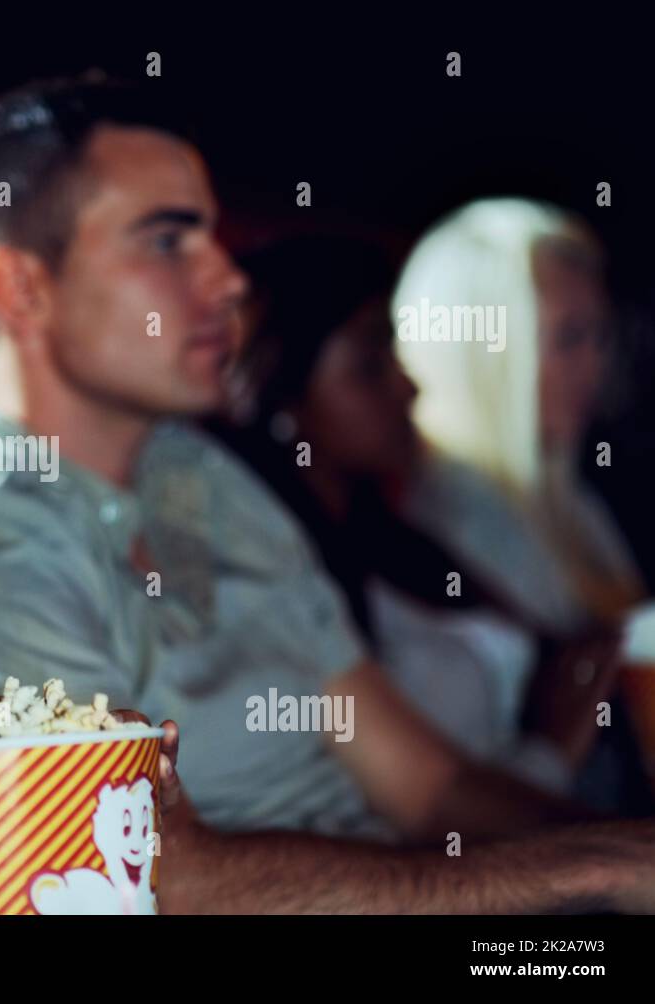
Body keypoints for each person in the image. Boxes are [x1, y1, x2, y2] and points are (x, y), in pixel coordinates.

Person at [0, 73, 655, 912]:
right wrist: (586, 874)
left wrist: (612, 857)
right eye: (167, 241)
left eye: (209, 235)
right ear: (21, 290)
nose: (229, 279)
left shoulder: (197, 474)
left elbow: (427, 785)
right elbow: (152, 885)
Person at [222, 234, 648, 810]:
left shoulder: (400, 540)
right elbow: (400, 815)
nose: (412, 388)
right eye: (372, 367)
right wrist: (551, 753)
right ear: (283, 397)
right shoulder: (270, 582)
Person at [392, 198, 647, 634]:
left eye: (599, 335)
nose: (595, 366)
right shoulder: (438, 516)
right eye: (567, 338)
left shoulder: (569, 500)